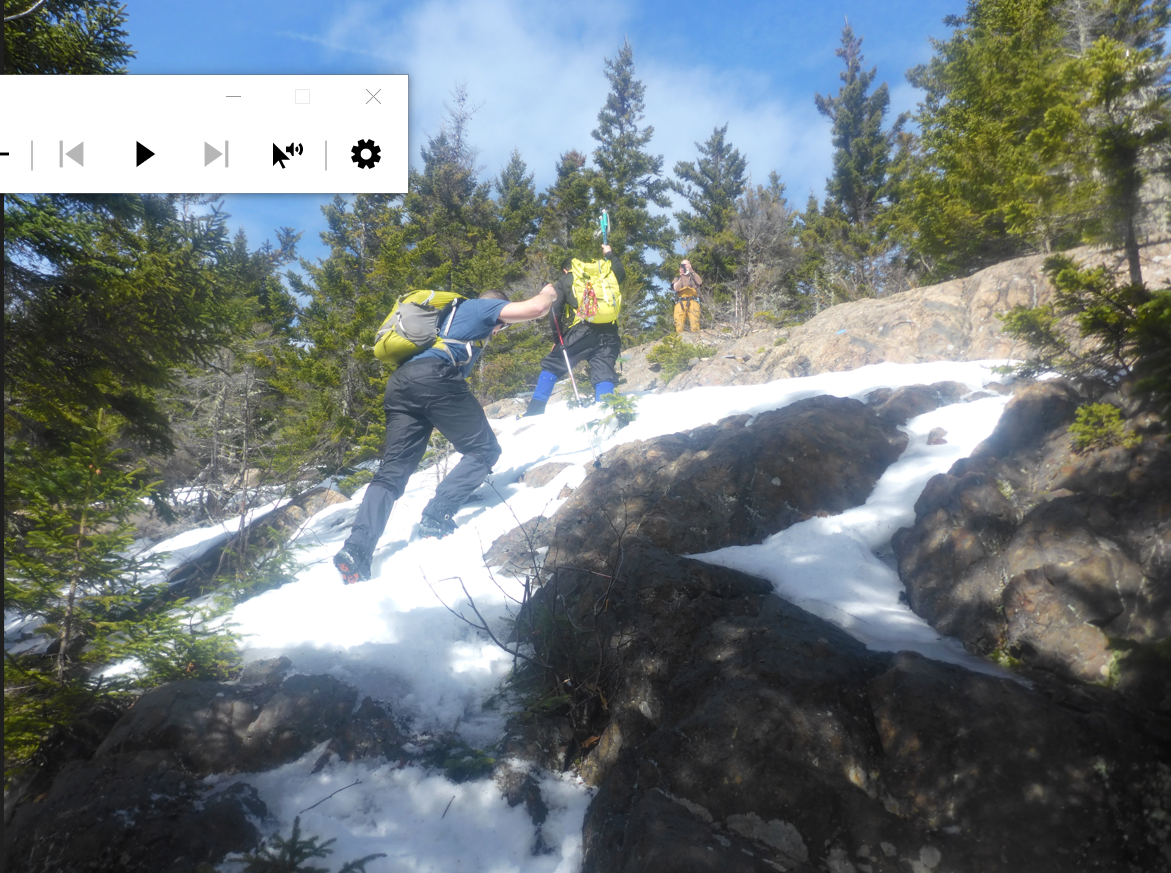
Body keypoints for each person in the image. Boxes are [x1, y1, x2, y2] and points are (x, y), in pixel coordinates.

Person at [333, 285, 556, 584]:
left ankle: (356, 549)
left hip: (400, 384)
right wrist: (549, 293)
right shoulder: (480, 308)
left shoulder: (444, 318)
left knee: (392, 471)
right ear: (497, 311)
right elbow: (535, 309)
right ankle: (436, 516)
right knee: (484, 450)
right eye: (501, 323)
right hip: (434, 376)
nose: (499, 329)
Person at [522, 243, 625, 417]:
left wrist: (558, 340)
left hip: (583, 331)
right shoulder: (604, 276)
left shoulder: (566, 280)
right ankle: (606, 415)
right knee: (604, 372)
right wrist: (609, 254)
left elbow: (555, 311)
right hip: (610, 333)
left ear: (565, 270)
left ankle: (534, 412)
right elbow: (620, 272)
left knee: (552, 365)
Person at [671, 258, 702, 333]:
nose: (683, 267)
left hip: (693, 301)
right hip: (680, 302)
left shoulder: (693, 276)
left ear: (689, 265)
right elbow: (675, 288)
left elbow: (700, 282)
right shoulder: (677, 278)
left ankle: (696, 339)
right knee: (679, 324)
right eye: (681, 266)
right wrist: (681, 277)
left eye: (685, 265)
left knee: (695, 323)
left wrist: (691, 271)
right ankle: (680, 341)